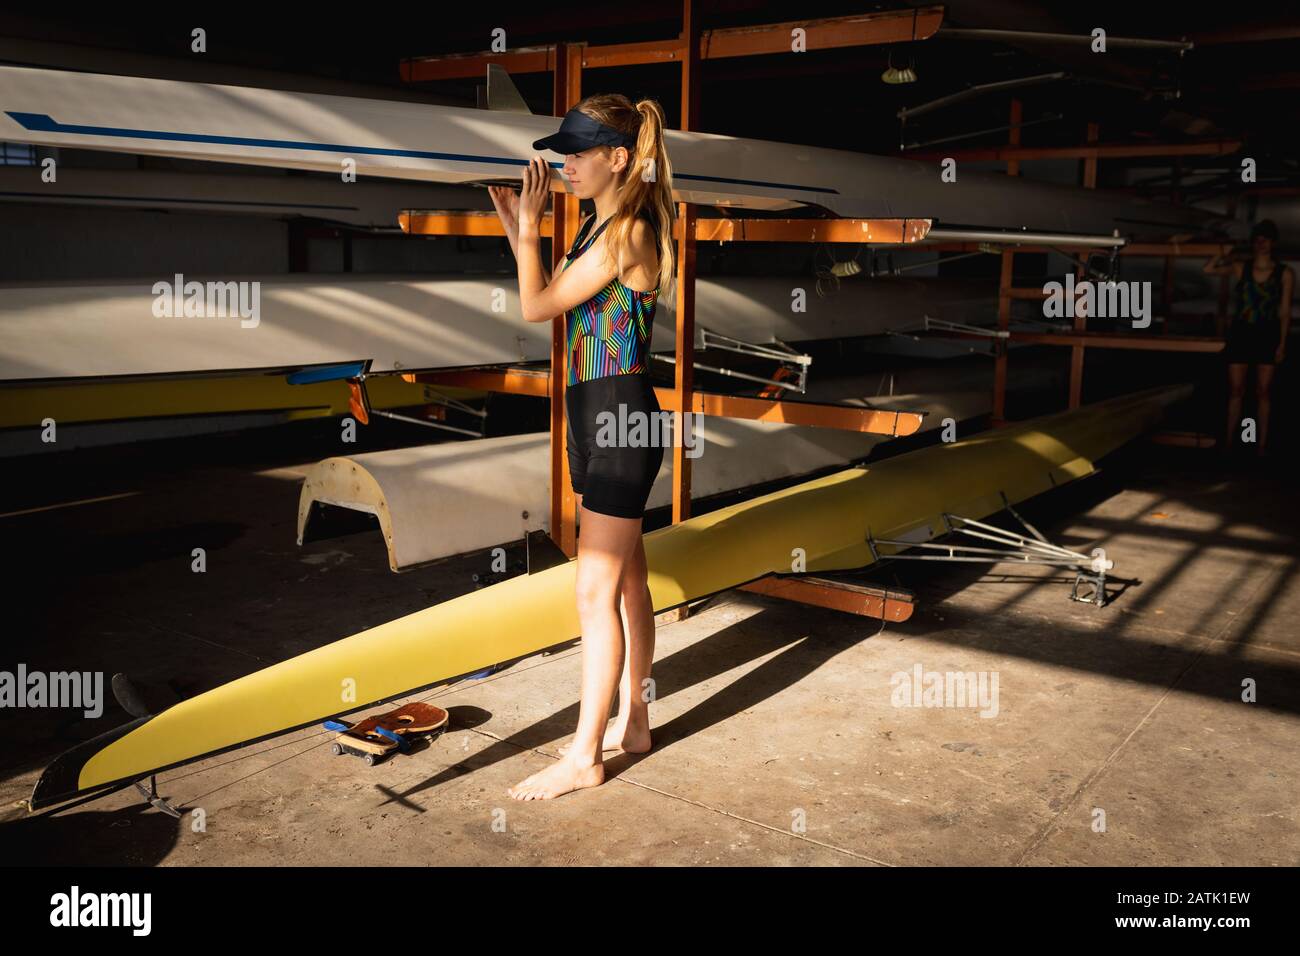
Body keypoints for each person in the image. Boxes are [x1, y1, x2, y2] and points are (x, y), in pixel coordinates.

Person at [487, 94, 677, 800]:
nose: (564, 164)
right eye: (563, 152)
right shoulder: (602, 226)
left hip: (619, 417)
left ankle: (584, 755)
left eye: (577, 153)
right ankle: (635, 720)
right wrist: (521, 236)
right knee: (627, 583)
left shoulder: (625, 230)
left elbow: (536, 307)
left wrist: (532, 234)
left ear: (617, 158)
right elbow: (555, 296)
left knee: (592, 593)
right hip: (591, 410)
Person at [1205, 219, 1291, 454]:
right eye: (1258, 239)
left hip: (1267, 333)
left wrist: (1282, 343)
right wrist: (1225, 250)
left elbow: (1284, 312)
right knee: (1236, 389)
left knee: (1263, 391)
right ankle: (1229, 441)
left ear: (1273, 243)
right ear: (1254, 243)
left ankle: (1261, 444)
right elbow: (1209, 270)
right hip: (1242, 332)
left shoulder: (1284, 273)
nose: (1262, 244)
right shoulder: (1241, 267)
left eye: (1266, 239)